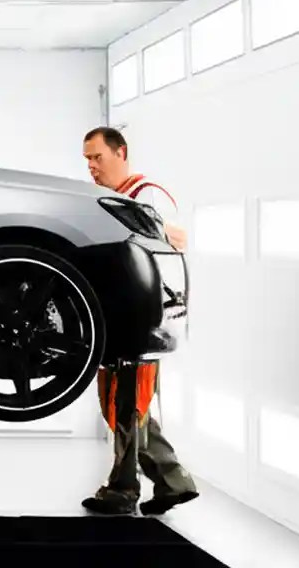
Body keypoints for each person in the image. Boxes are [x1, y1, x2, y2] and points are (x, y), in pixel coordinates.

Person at [80, 126, 198, 516]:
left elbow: (171, 240)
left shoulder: (144, 194)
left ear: (120, 152)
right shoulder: (113, 198)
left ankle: (122, 489)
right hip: (118, 320)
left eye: (97, 157)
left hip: (139, 323)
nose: (92, 167)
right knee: (121, 404)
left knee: (129, 404)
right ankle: (171, 481)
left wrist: (161, 229)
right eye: (87, 160)